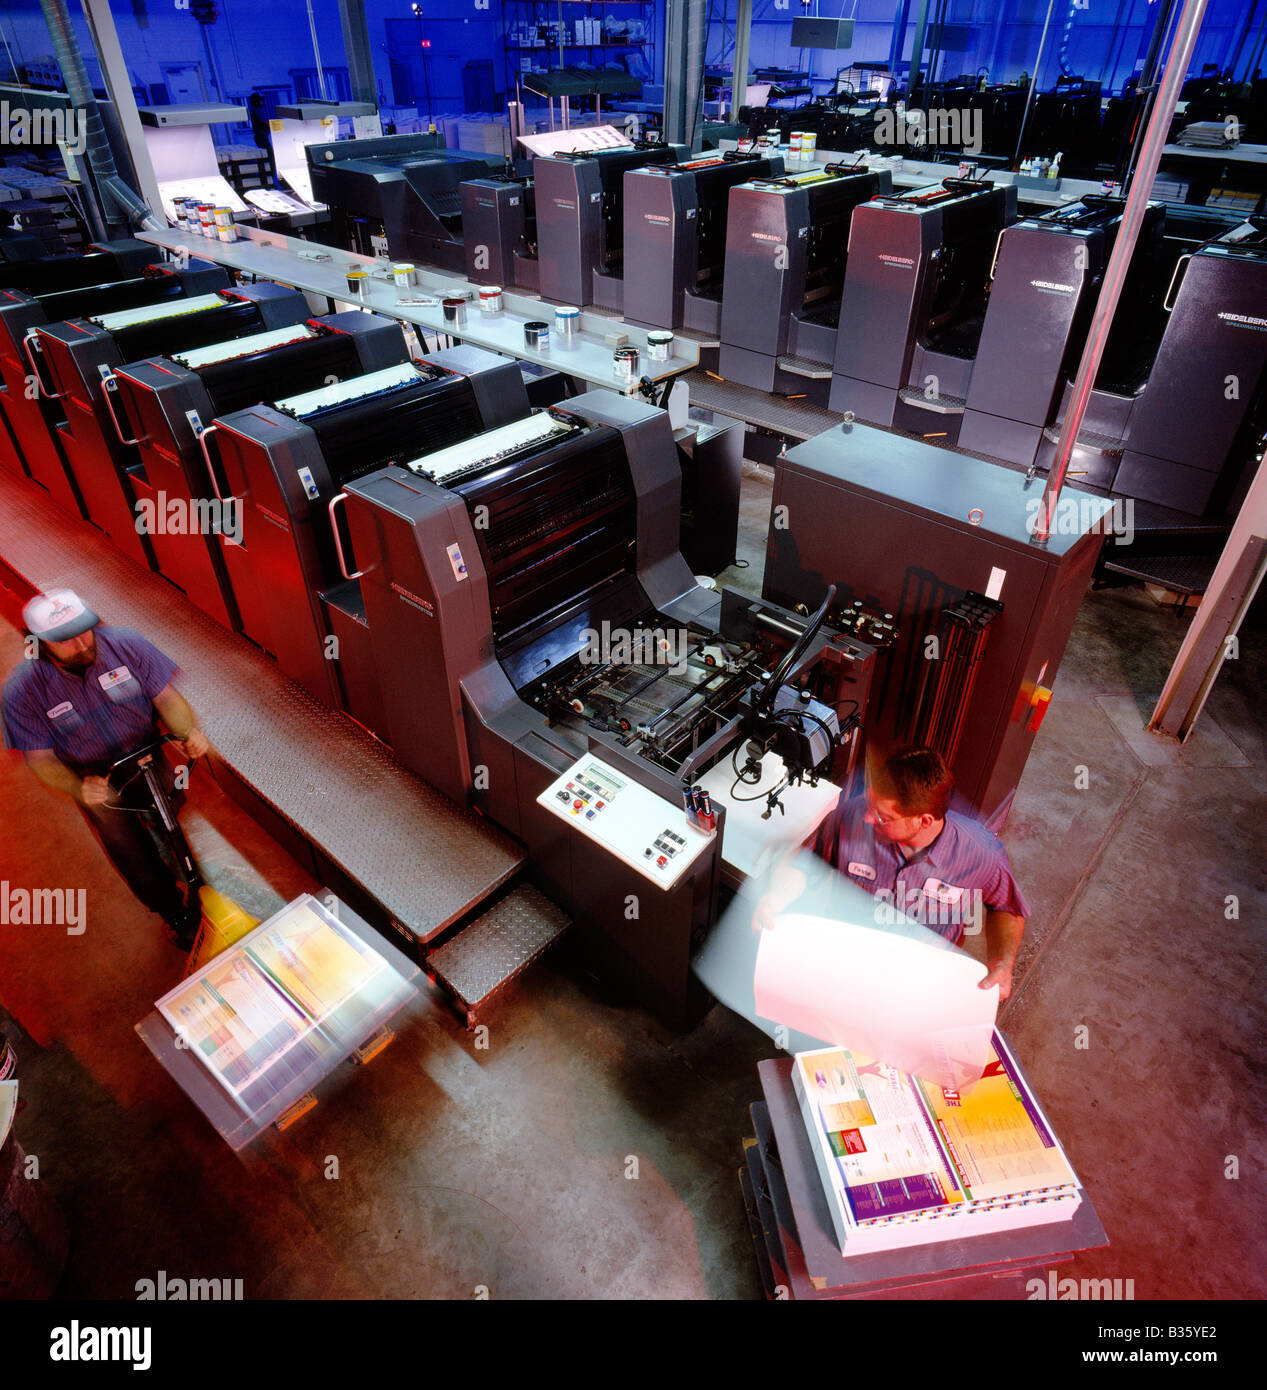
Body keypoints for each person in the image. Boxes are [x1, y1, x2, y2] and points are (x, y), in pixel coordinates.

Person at [2, 590, 210, 948]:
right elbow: (41, 760)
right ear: (36, 642)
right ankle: (171, 911)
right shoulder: (21, 692)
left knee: (170, 815)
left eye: (84, 629)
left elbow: (167, 698)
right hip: (90, 774)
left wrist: (187, 731)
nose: (81, 643)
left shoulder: (128, 644)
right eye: (63, 639)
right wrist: (79, 789)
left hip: (146, 749)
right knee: (127, 846)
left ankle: (192, 878)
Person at [753, 745, 1030, 999]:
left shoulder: (979, 854)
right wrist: (774, 899)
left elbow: (1006, 907)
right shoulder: (848, 819)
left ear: (924, 821)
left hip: (922, 985)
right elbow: (803, 864)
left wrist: (1002, 963)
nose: (867, 818)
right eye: (869, 803)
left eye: (883, 816)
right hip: (844, 966)